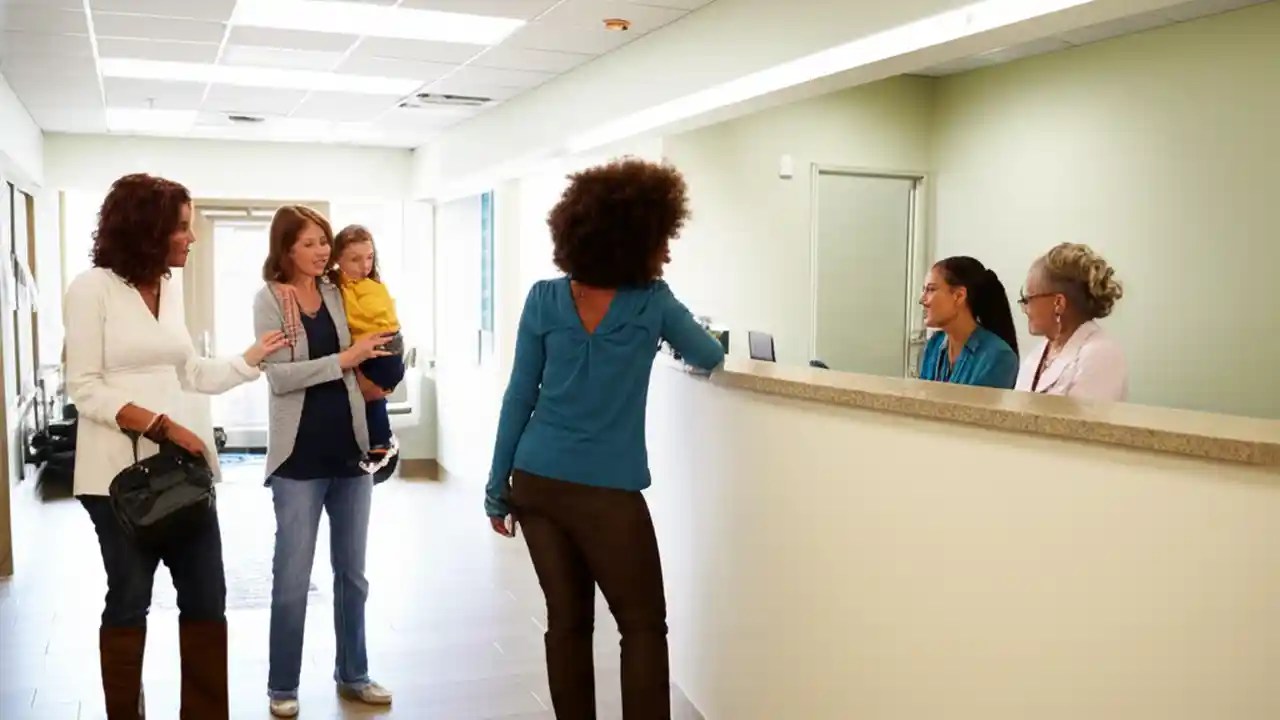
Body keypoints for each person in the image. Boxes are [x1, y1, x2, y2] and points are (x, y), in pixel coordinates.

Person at [486, 158, 725, 720]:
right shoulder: (652, 303)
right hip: (606, 493)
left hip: (536, 481)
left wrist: (498, 488)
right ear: (634, 238)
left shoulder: (544, 299)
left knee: (567, 623)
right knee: (642, 627)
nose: (665, 250)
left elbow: (519, 397)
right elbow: (709, 354)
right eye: (661, 238)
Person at [64, 173, 288, 719]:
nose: (192, 239)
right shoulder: (92, 287)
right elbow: (84, 388)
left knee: (208, 599)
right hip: (115, 478)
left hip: (181, 476)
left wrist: (251, 358)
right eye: (183, 228)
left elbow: (189, 372)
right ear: (148, 228)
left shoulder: (172, 286)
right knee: (129, 599)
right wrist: (163, 426)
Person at [252, 205, 395, 718]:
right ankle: (282, 683)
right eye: (311, 243)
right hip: (297, 460)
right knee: (292, 577)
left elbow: (376, 327)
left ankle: (354, 673)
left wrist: (374, 361)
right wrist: (344, 360)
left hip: (351, 452)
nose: (321, 252)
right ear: (286, 247)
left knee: (352, 575)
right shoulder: (270, 301)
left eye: (324, 243)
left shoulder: (338, 291)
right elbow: (281, 376)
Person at [331, 224, 404, 478]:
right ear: (338, 258)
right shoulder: (348, 285)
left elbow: (356, 319)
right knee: (371, 401)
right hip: (382, 355)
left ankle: (380, 446)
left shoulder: (368, 288)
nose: (365, 266)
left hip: (385, 354)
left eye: (370, 257)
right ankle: (380, 444)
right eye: (356, 259)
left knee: (370, 399)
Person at [1015, 242, 1127, 401]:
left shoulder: (1101, 354)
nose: (1025, 308)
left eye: (1029, 299)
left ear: (1058, 303)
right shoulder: (1039, 353)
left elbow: (1083, 424)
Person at [917, 256, 1020, 389]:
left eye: (931, 290)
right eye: (924, 290)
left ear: (959, 296)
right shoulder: (934, 345)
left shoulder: (999, 357)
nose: (922, 299)